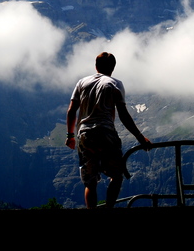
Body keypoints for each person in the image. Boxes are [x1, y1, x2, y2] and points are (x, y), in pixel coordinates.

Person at [65, 52, 152, 209]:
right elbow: (123, 115)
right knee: (116, 176)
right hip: (106, 133)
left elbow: (72, 110)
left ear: (96, 66)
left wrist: (70, 135)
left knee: (90, 182)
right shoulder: (115, 84)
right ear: (113, 68)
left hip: (85, 134)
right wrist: (140, 137)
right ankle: (109, 211)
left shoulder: (82, 82)